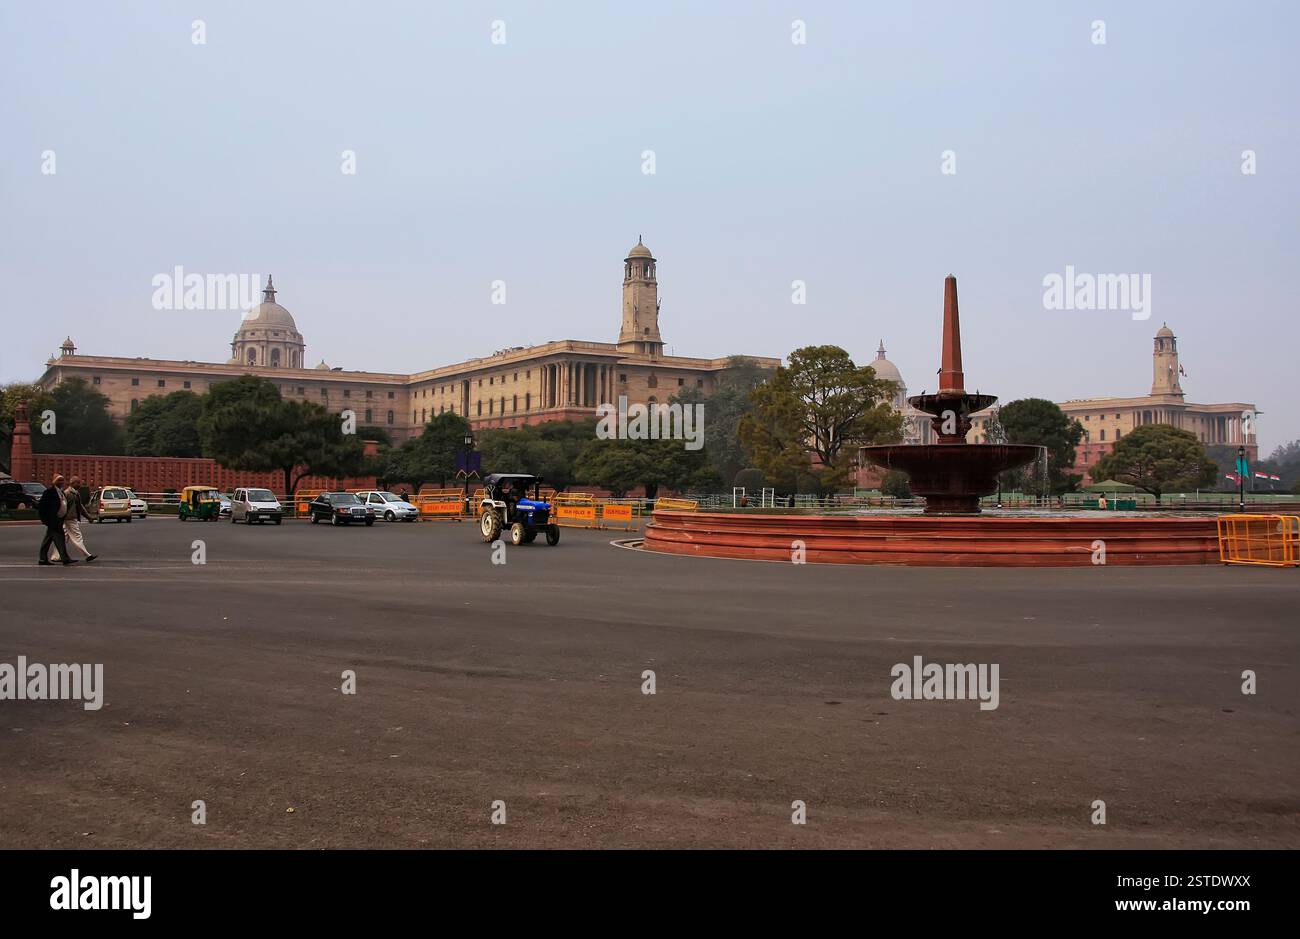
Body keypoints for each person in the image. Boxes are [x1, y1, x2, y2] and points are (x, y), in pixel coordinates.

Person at [37, 474, 76, 566]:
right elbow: (42, 506)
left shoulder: (61, 492)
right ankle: (65, 558)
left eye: (62, 480)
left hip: (59, 519)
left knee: (48, 539)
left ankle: (42, 559)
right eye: (59, 480)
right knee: (60, 538)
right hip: (53, 520)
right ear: (54, 481)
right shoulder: (49, 492)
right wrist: (45, 520)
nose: (61, 482)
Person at [62, 475, 96, 563]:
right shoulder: (68, 493)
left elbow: (80, 507)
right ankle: (87, 555)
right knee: (77, 536)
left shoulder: (75, 493)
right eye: (78, 483)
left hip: (68, 518)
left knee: (64, 537)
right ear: (72, 483)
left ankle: (56, 556)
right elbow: (63, 507)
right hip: (70, 518)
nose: (80, 485)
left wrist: (88, 517)